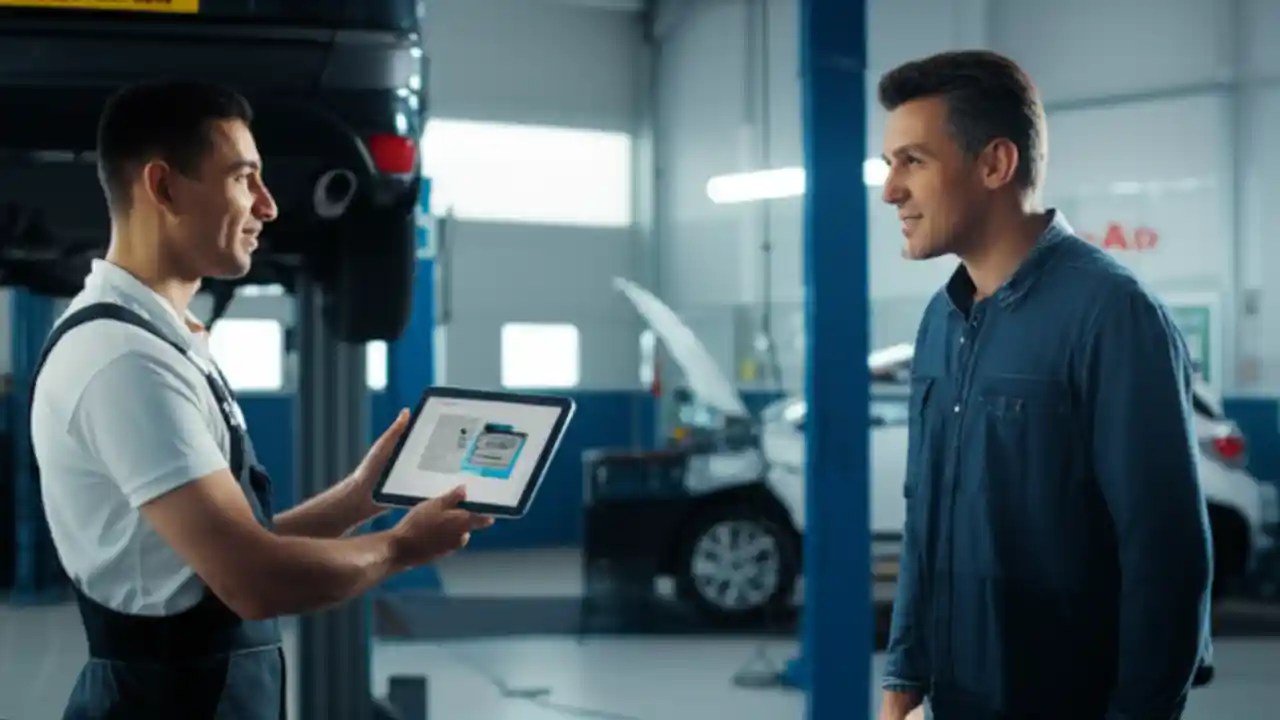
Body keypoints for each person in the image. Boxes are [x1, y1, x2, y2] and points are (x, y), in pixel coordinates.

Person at [29, 80, 494, 719]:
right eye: (245, 178)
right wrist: (402, 547)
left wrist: (363, 497)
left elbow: (228, 553)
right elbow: (253, 580)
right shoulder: (123, 360)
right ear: (163, 187)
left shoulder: (162, 341)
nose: (269, 206)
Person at [874, 51, 1213, 720]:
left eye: (912, 161)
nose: (890, 191)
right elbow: (925, 524)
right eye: (889, 165)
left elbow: (1166, 557)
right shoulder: (939, 322)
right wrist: (903, 684)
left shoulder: (1111, 316)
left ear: (995, 164)